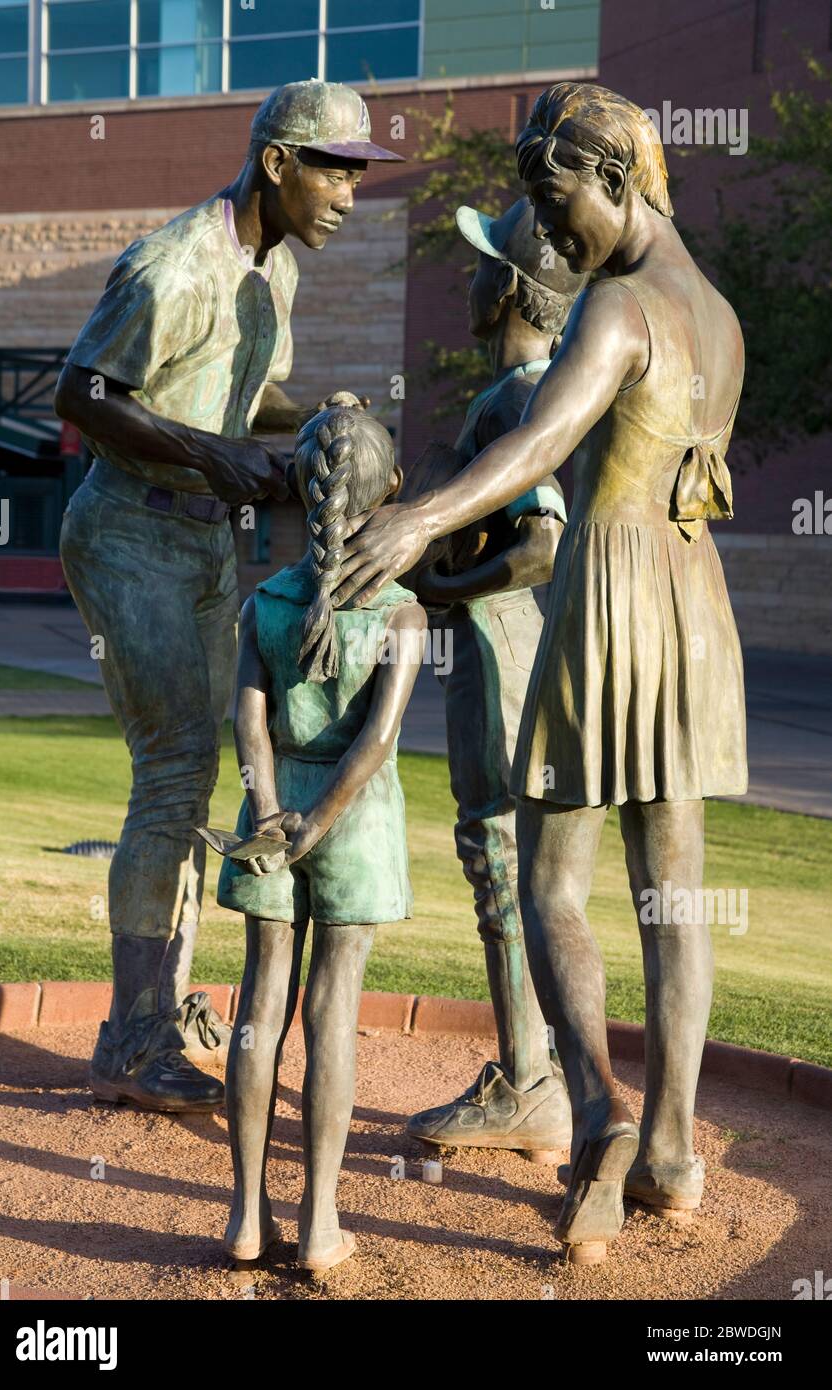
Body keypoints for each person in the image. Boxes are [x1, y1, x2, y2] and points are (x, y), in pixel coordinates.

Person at [332, 82, 748, 1263]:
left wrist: (415, 525)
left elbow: (538, 444)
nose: (548, 231)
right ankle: (671, 1152)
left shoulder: (616, 307)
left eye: (552, 197)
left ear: (612, 180)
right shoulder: (715, 312)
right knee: (672, 894)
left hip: (611, 595)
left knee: (552, 880)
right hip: (690, 603)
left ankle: (600, 1118)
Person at [55, 80, 402, 1113]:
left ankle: (160, 1013)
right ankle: (131, 1039)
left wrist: (327, 431)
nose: (348, 191)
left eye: (359, 171)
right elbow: (82, 394)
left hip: (202, 539)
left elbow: (251, 394)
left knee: (196, 779)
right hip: (127, 531)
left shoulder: (271, 272)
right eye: (334, 168)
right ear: (278, 162)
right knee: (170, 774)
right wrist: (217, 455)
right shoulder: (176, 265)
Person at [204, 402, 425, 1273]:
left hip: (275, 808)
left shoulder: (267, 601)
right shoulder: (402, 616)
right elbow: (376, 742)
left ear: (300, 488)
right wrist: (319, 824)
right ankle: (320, 1223)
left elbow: (248, 724)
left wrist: (267, 814)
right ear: (391, 492)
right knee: (332, 1013)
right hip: (352, 818)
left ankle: (245, 1218)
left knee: (261, 1007)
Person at [405, 199, 587, 1155]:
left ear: (514, 288)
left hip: (500, 647)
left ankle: (529, 1082)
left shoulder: (520, 396)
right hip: (512, 649)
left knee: (499, 861)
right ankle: (537, 1076)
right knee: (512, 865)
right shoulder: (537, 387)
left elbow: (543, 543)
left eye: (482, 266)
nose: (467, 279)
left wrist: (444, 583)